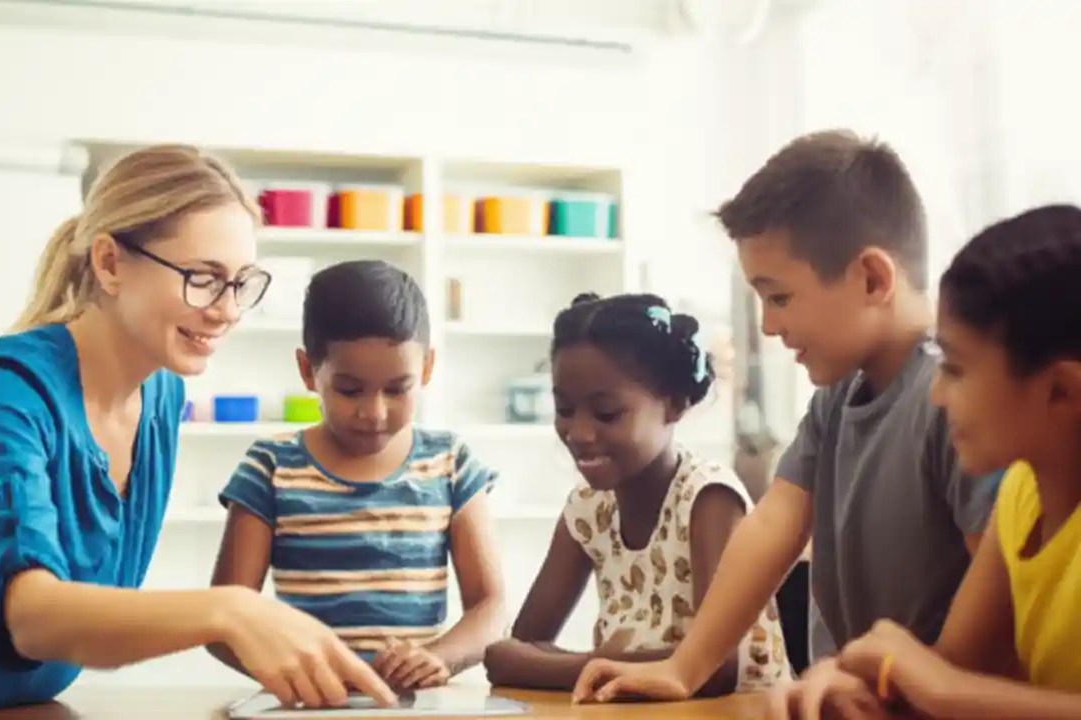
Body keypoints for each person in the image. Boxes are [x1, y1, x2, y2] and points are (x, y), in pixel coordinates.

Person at [0, 145, 396, 719]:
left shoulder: (163, 394)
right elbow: (30, 617)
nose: (226, 310)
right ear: (110, 263)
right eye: (203, 277)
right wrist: (230, 610)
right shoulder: (8, 398)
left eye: (241, 282)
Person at [573, 130, 998, 703]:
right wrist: (684, 666)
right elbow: (774, 525)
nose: (769, 328)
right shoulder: (837, 397)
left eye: (778, 297)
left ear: (873, 278)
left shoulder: (959, 398)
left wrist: (908, 692)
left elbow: (996, 598)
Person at [771, 204, 1081, 720]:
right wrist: (853, 681)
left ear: (1061, 392)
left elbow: (945, 684)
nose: (936, 395)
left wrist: (938, 686)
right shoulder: (1022, 496)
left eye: (956, 369)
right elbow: (954, 664)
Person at [209, 259, 506, 692]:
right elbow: (224, 619)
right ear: (308, 371)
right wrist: (298, 677)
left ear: (426, 369)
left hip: (418, 706)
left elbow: (491, 605)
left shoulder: (450, 462)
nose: (374, 412)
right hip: (311, 706)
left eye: (397, 388)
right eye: (350, 390)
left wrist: (439, 658)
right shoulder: (271, 467)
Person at [483, 293, 790, 695]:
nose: (578, 433)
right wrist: (604, 668)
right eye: (563, 409)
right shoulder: (589, 509)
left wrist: (580, 666)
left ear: (675, 405)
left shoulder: (708, 499)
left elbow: (715, 668)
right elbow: (510, 653)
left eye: (607, 414)